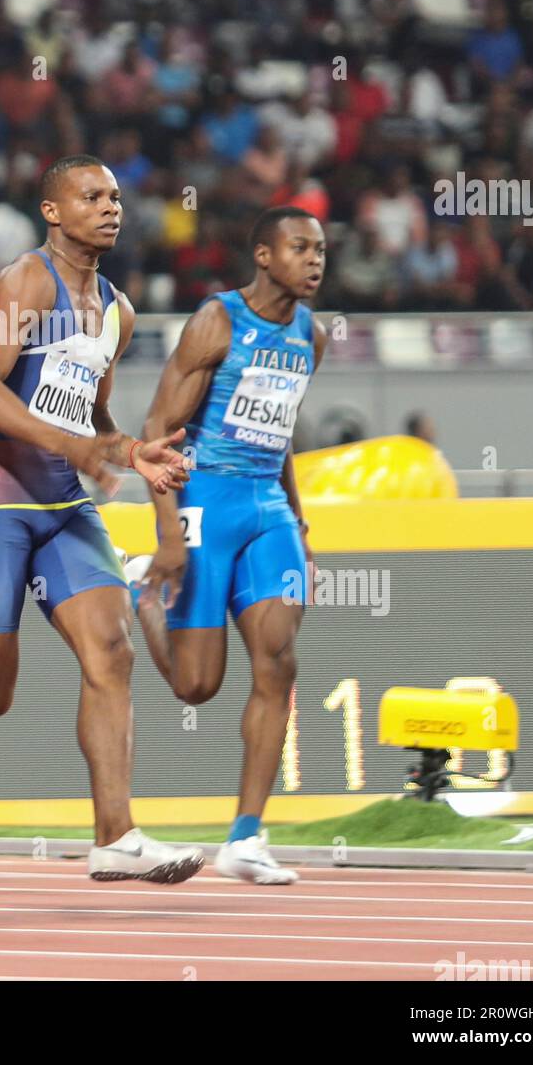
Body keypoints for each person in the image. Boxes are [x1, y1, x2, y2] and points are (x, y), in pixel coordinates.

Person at [0, 155, 205, 884]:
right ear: (52, 211)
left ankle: (115, 836)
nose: (110, 207)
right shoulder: (25, 281)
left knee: (110, 652)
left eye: (116, 196)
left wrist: (133, 451)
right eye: (90, 196)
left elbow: (94, 420)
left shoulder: (118, 311)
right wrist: (81, 446)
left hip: (64, 507)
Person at [131, 206, 328, 884]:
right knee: (196, 685)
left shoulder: (312, 333)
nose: (315, 260)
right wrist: (165, 532)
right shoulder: (217, 321)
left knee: (278, 662)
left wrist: (298, 523)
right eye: (300, 248)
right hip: (204, 499)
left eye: (321, 250)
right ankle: (144, 595)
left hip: (267, 507)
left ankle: (245, 836)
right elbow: (156, 428)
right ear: (264, 256)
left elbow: (284, 432)